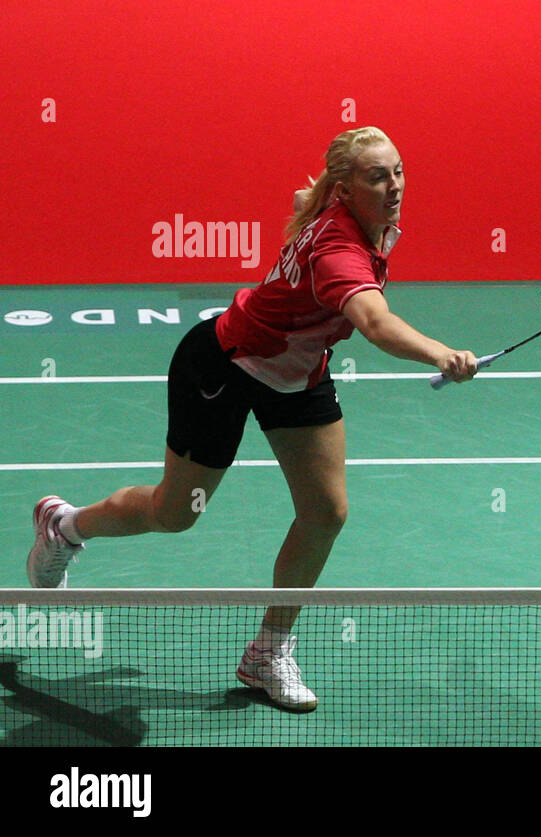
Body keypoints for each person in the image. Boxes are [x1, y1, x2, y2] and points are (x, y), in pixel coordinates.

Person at [26, 126, 479, 710]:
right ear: (347, 189)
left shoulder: (347, 211)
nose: (394, 186)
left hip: (296, 371)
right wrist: (440, 353)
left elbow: (303, 200)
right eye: (377, 176)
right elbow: (374, 322)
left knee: (325, 512)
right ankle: (63, 526)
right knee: (174, 513)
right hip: (225, 366)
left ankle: (268, 652)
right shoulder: (340, 250)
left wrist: (310, 203)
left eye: (398, 170)